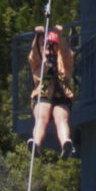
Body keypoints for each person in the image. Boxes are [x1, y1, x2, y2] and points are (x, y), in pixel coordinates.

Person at [29, 27, 77, 156]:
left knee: (61, 118)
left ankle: (66, 143)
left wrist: (59, 35)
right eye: (46, 47)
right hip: (43, 94)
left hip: (61, 95)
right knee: (41, 118)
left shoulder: (63, 60)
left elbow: (67, 53)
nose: (49, 50)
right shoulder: (39, 62)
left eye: (53, 46)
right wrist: (37, 36)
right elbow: (34, 54)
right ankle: (36, 143)